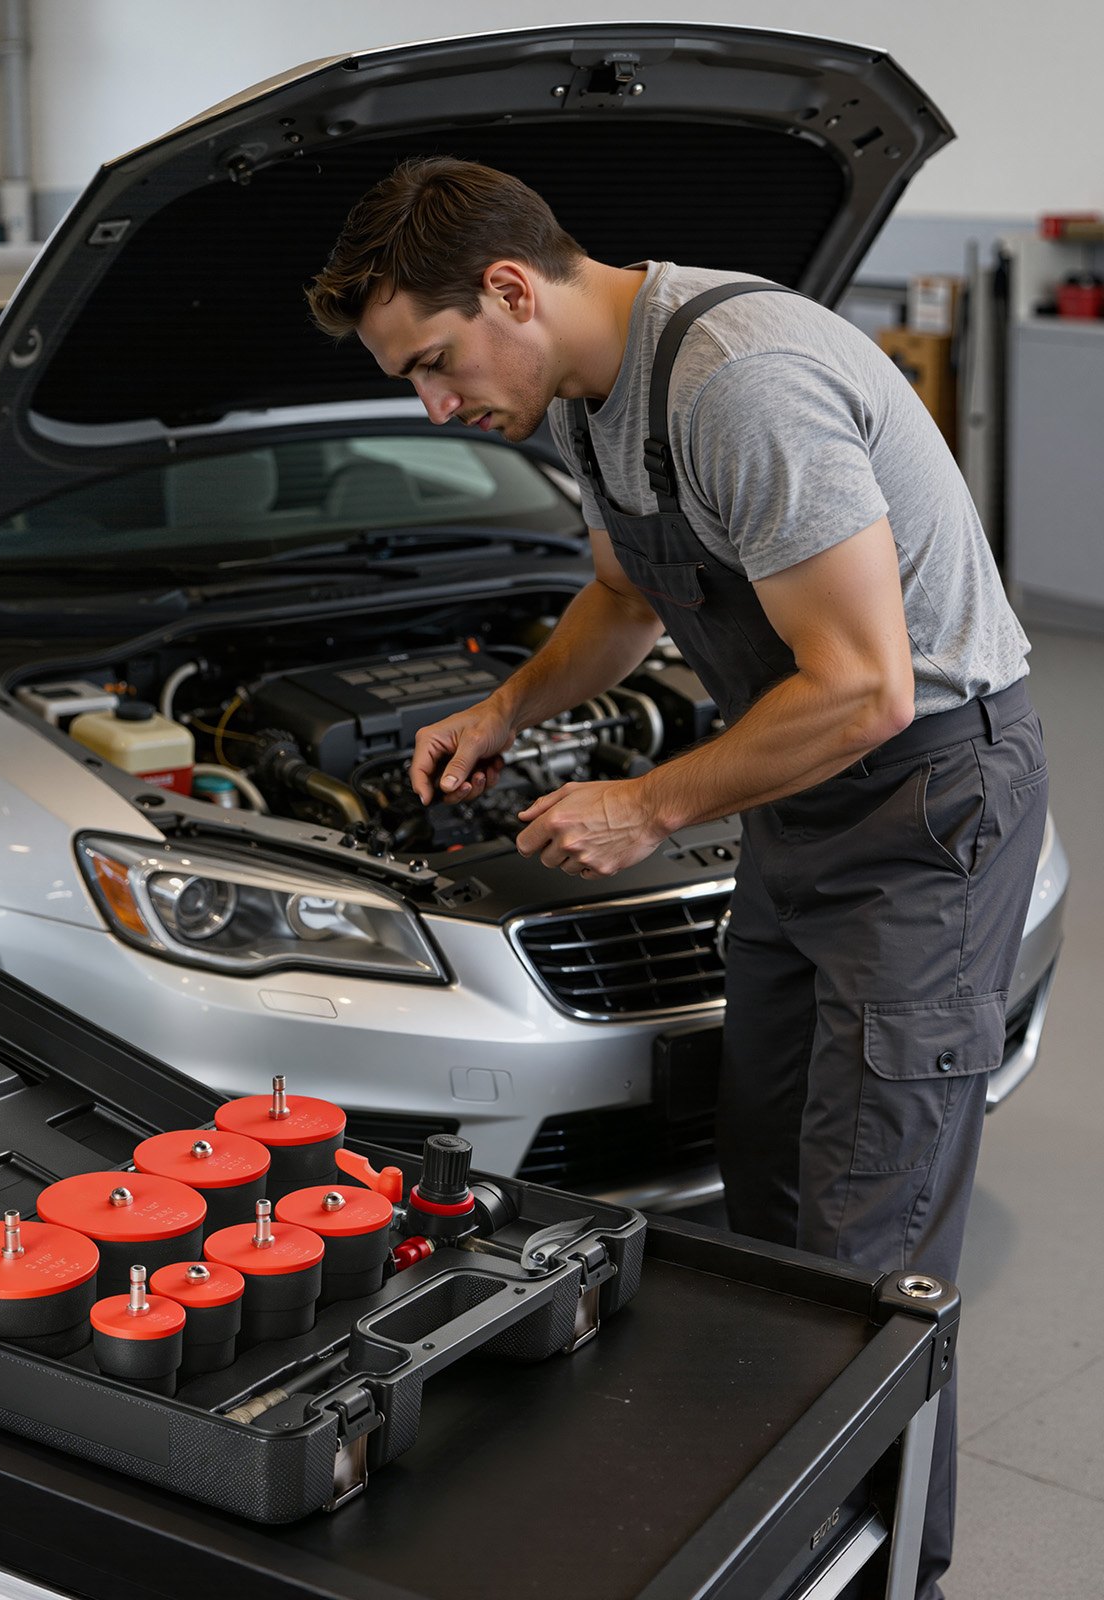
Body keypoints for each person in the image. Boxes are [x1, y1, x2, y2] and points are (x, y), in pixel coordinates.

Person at [306, 156, 1047, 1600]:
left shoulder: (736, 383)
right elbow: (625, 593)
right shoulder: (591, 395)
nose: (436, 405)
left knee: (865, 1248)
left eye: (436, 362)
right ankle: (782, 1541)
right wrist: (505, 711)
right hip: (803, 798)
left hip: (923, 807)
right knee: (766, 1203)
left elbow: (869, 686)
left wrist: (647, 804)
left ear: (511, 288)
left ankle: (891, 1573)